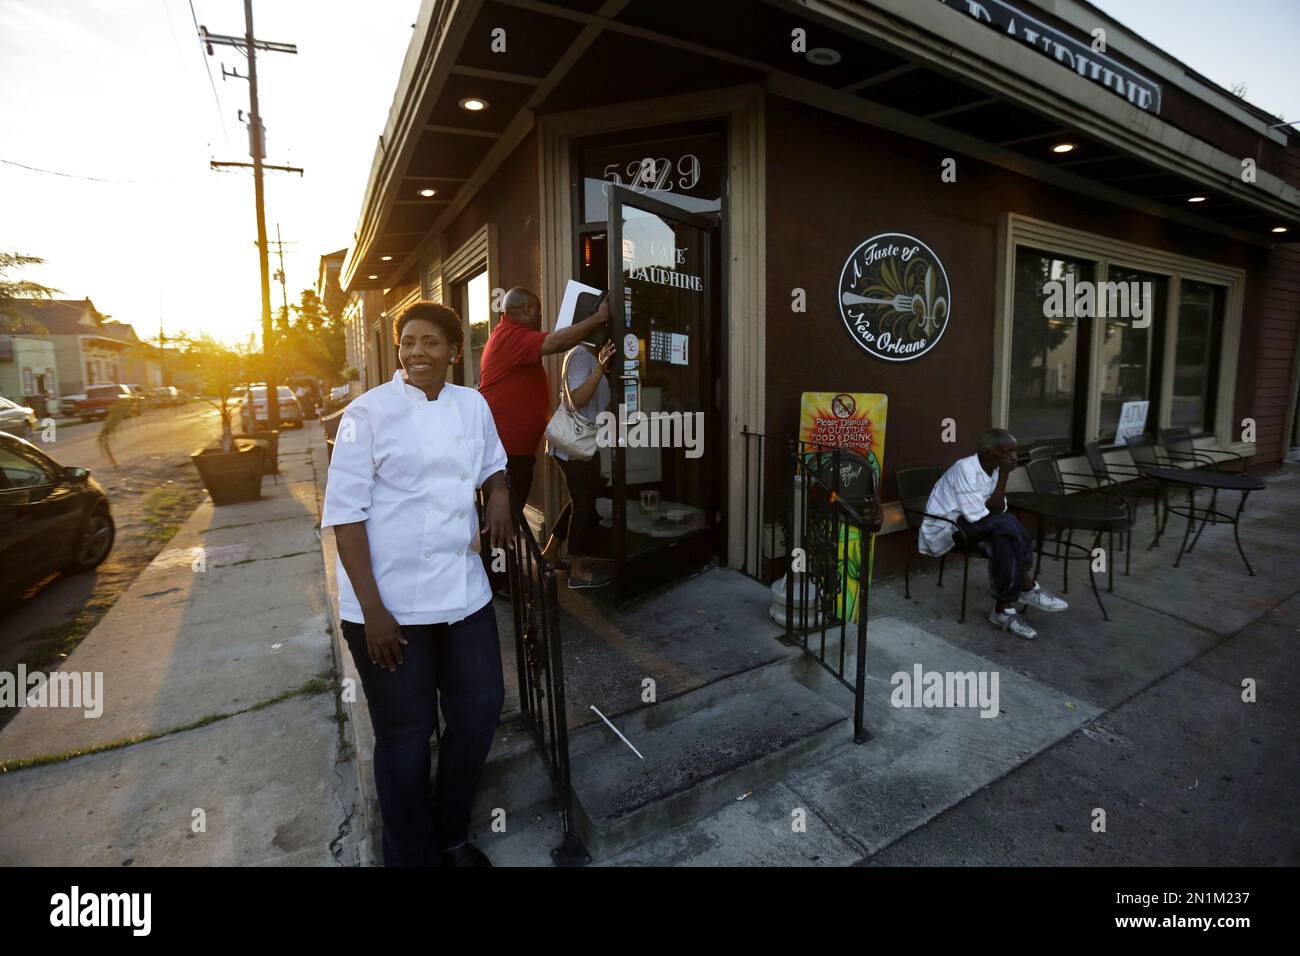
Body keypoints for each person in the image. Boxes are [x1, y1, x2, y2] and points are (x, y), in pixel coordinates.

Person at [320, 300, 511, 867]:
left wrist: (499, 492)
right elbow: (345, 517)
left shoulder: (473, 405)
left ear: (455, 351)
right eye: (408, 342)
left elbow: (492, 462)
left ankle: (451, 835)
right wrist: (374, 613)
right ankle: (411, 857)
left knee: (479, 711)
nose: (417, 353)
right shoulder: (366, 414)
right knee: (406, 736)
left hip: (463, 593)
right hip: (388, 606)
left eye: (431, 343)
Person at [918, 428, 1067, 640]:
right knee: (1007, 524)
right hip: (947, 530)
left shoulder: (994, 467)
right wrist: (1005, 473)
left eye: (1015, 451)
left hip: (974, 524)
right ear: (987, 452)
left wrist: (1003, 472)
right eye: (1007, 452)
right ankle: (1027, 586)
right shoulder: (965, 469)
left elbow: (995, 511)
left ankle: (1003, 611)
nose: (1013, 457)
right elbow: (979, 517)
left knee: (1003, 538)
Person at [477, 287, 611, 521]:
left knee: (509, 520)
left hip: (514, 452)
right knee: (503, 522)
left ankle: (506, 557)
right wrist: (599, 318)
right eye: (538, 311)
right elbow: (556, 342)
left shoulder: (508, 335)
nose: (541, 318)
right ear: (528, 309)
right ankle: (499, 559)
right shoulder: (511, 335)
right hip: (507, 453)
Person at [545, 336, 617, 588]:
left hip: (585, 443)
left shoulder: (592, 357)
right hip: (574, 447)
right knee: (583, 506)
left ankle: (551, 552)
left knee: (581, 501)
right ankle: (577, 572)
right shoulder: (580, 355)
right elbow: (577, 400)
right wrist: (599, 368)